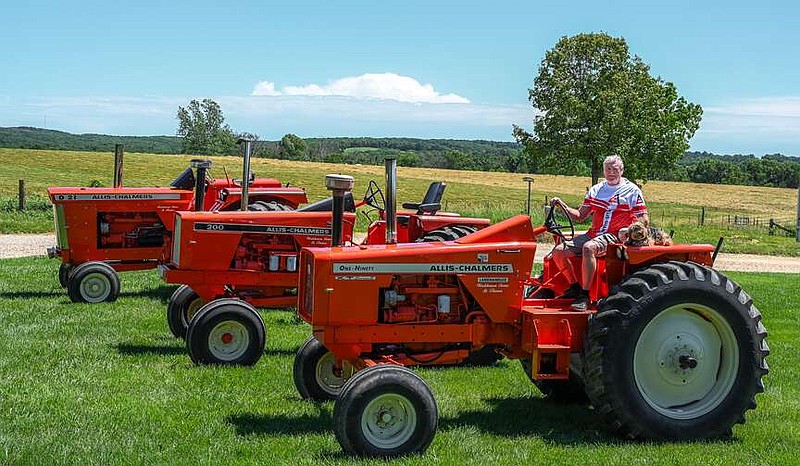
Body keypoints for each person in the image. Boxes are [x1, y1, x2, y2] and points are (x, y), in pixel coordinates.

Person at [549, 154, 648, 310]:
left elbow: (643, 218)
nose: (611, 172)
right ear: (603, 171)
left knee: (589, 248)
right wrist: (563, 206)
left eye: (615, 169)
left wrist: (631, 230)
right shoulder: (596, 190)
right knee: (559, 252)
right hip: (594, 233)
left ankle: (584, 295)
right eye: (608, 169)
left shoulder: (632, 191)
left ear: (621, 170)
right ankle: (574, 287)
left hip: (615, 235)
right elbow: (580, 216)